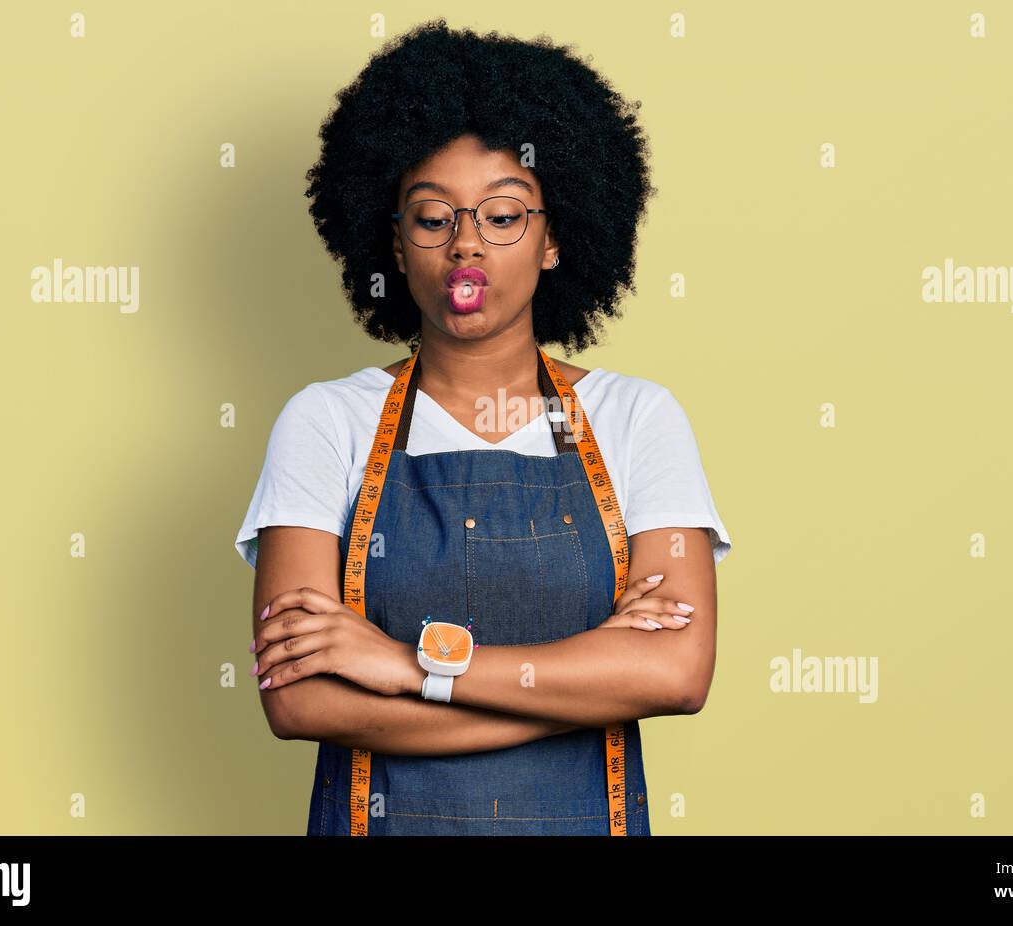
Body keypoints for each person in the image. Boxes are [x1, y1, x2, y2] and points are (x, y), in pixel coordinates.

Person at [234, 19, 731, 835]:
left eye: (503, 216)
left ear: (555, 240)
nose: (467, 246)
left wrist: (405, 664)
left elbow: (677, 674)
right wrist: (588, 684)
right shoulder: (326, 422)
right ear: (394, 244)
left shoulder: (637, 418)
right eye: (433, 219)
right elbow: (298, 697)